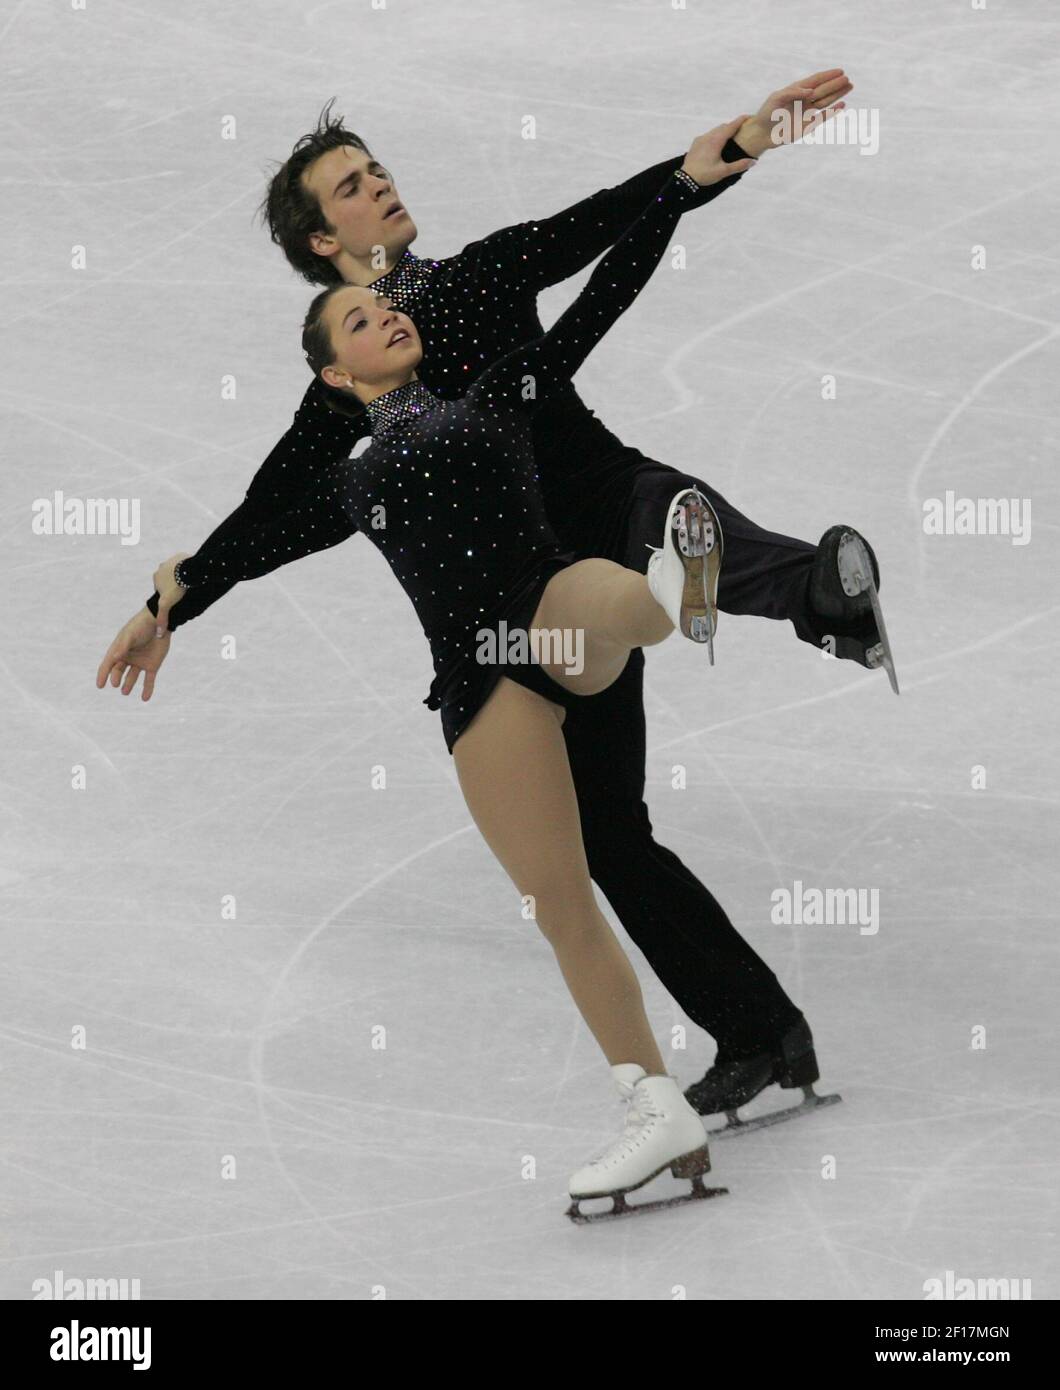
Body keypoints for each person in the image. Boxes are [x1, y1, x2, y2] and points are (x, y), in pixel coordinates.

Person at [98, 71, 881, 1131]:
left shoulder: (477, 272)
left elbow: (599, 229)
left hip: (602, 505)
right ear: (323, 242)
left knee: (663, 518)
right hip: (529, 590)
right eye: (349, 186)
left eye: (375, 168)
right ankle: (755, 1028)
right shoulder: (345, 369)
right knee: (608, 838)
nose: (378, 185)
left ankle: (817, 596)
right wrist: (177, 601)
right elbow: (274, 509)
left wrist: (724, 155)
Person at [149, 130, 752, 1209]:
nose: (380, 312)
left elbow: (598, 295)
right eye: (355, 320)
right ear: (338, 371)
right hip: (479, 687)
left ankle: (671, 586)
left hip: (545, 607)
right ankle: (655, 1108)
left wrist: (684, 187)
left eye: (379, 305)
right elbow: (253, 537)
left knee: (600, 601)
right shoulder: (347, 484)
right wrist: (171, 597)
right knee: (563, 902)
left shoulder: (499, 394)